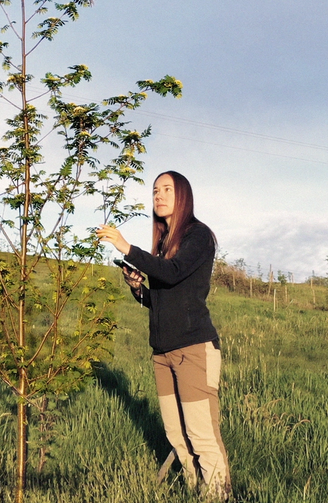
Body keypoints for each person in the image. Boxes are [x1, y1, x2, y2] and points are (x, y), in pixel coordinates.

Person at [96, 170, 230, 499]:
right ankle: (193, 489)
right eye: (155, 190)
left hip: (194, 349)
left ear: (182, 195)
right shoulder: (163, 245)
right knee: (176, 434)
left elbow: (173, 273)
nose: (159, 195)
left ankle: (219, 495)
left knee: (201, 436)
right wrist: (138, 288)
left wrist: (127, 247)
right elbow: (161, 299)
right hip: (163, 354)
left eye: (167, 189)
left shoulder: (198, 235)